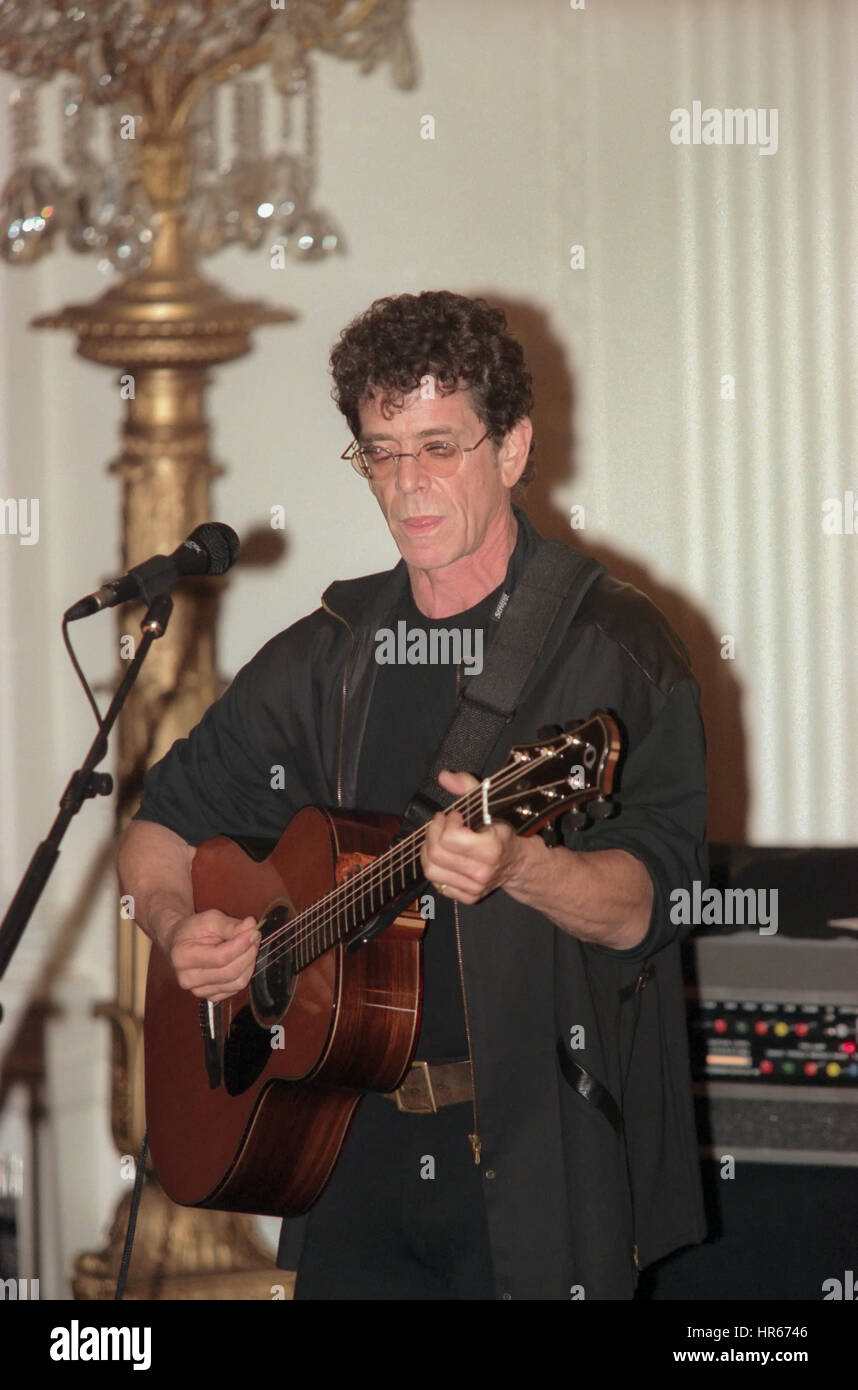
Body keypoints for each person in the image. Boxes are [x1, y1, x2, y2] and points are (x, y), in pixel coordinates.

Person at [117, 290, 708, 1300]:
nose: (408, 484)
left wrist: (525, 864)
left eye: (439, 446)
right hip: (336, 1142)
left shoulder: (615, 649)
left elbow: (655, 903)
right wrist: (178, 927)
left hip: (538, 1151)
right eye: (381, 451)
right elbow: (159, 828)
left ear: (513, 448)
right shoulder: (327, 657)